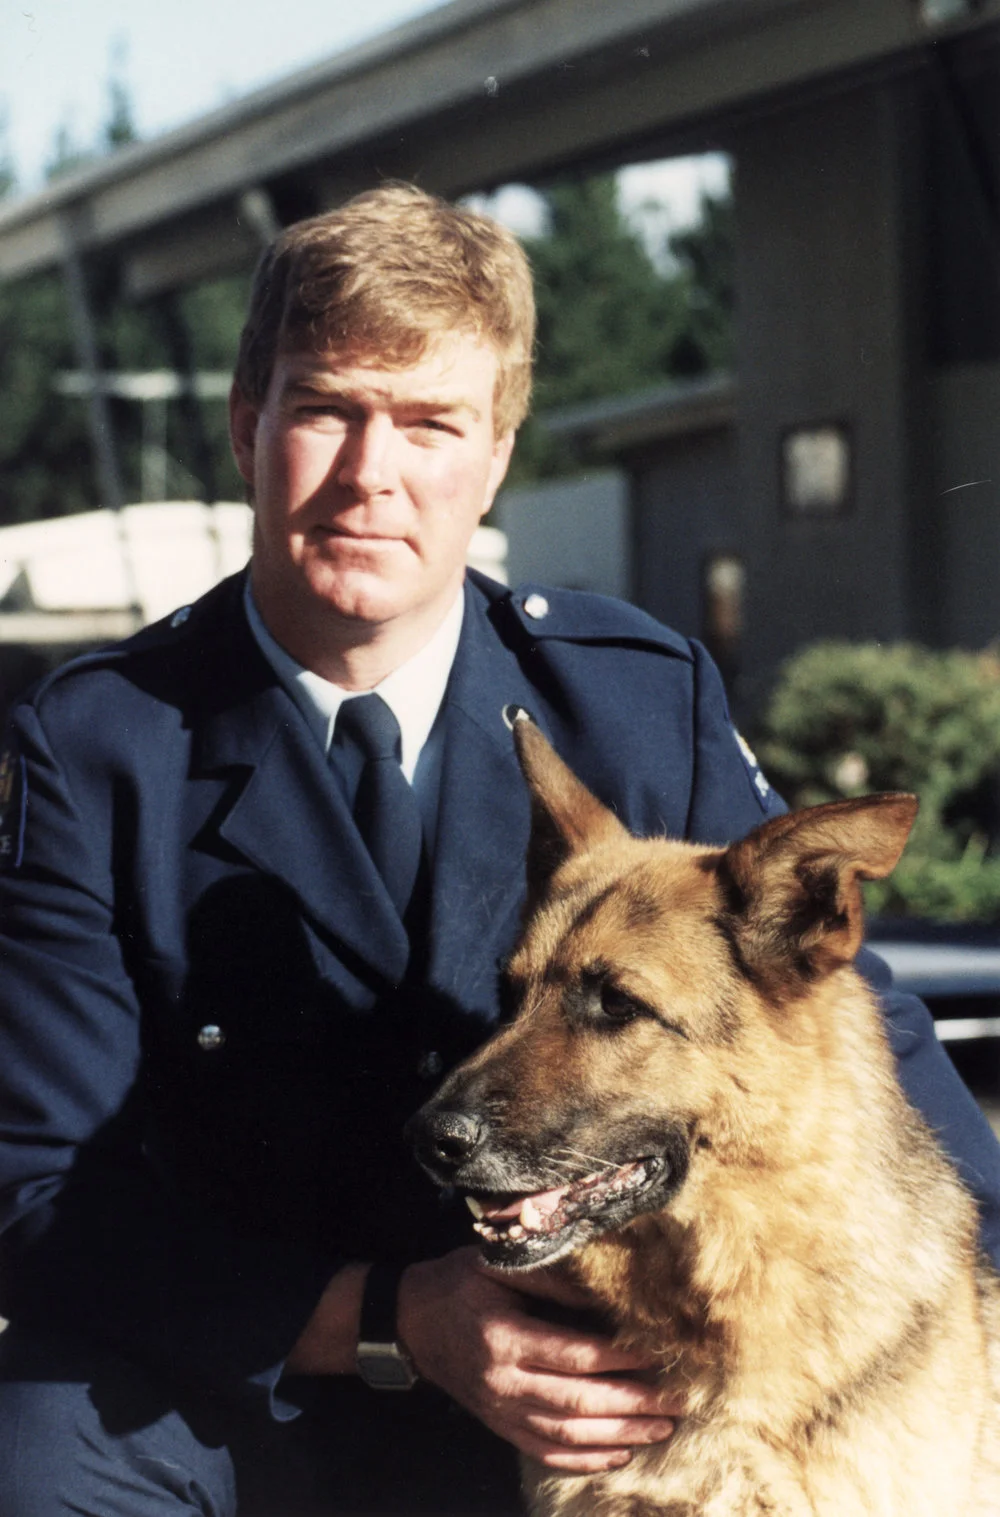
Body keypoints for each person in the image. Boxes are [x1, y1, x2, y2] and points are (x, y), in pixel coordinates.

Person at [0, 183, 997, 1516]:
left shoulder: (634, 695)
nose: (373, 475)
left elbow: (831, 1018)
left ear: (498, 451)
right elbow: (34, 1191)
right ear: (248, 425)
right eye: (326, 410)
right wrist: (387, 1320)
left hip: (591, 1366)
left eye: (429, 424)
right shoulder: (98, 746)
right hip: (260, 1389)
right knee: (41, 1455)